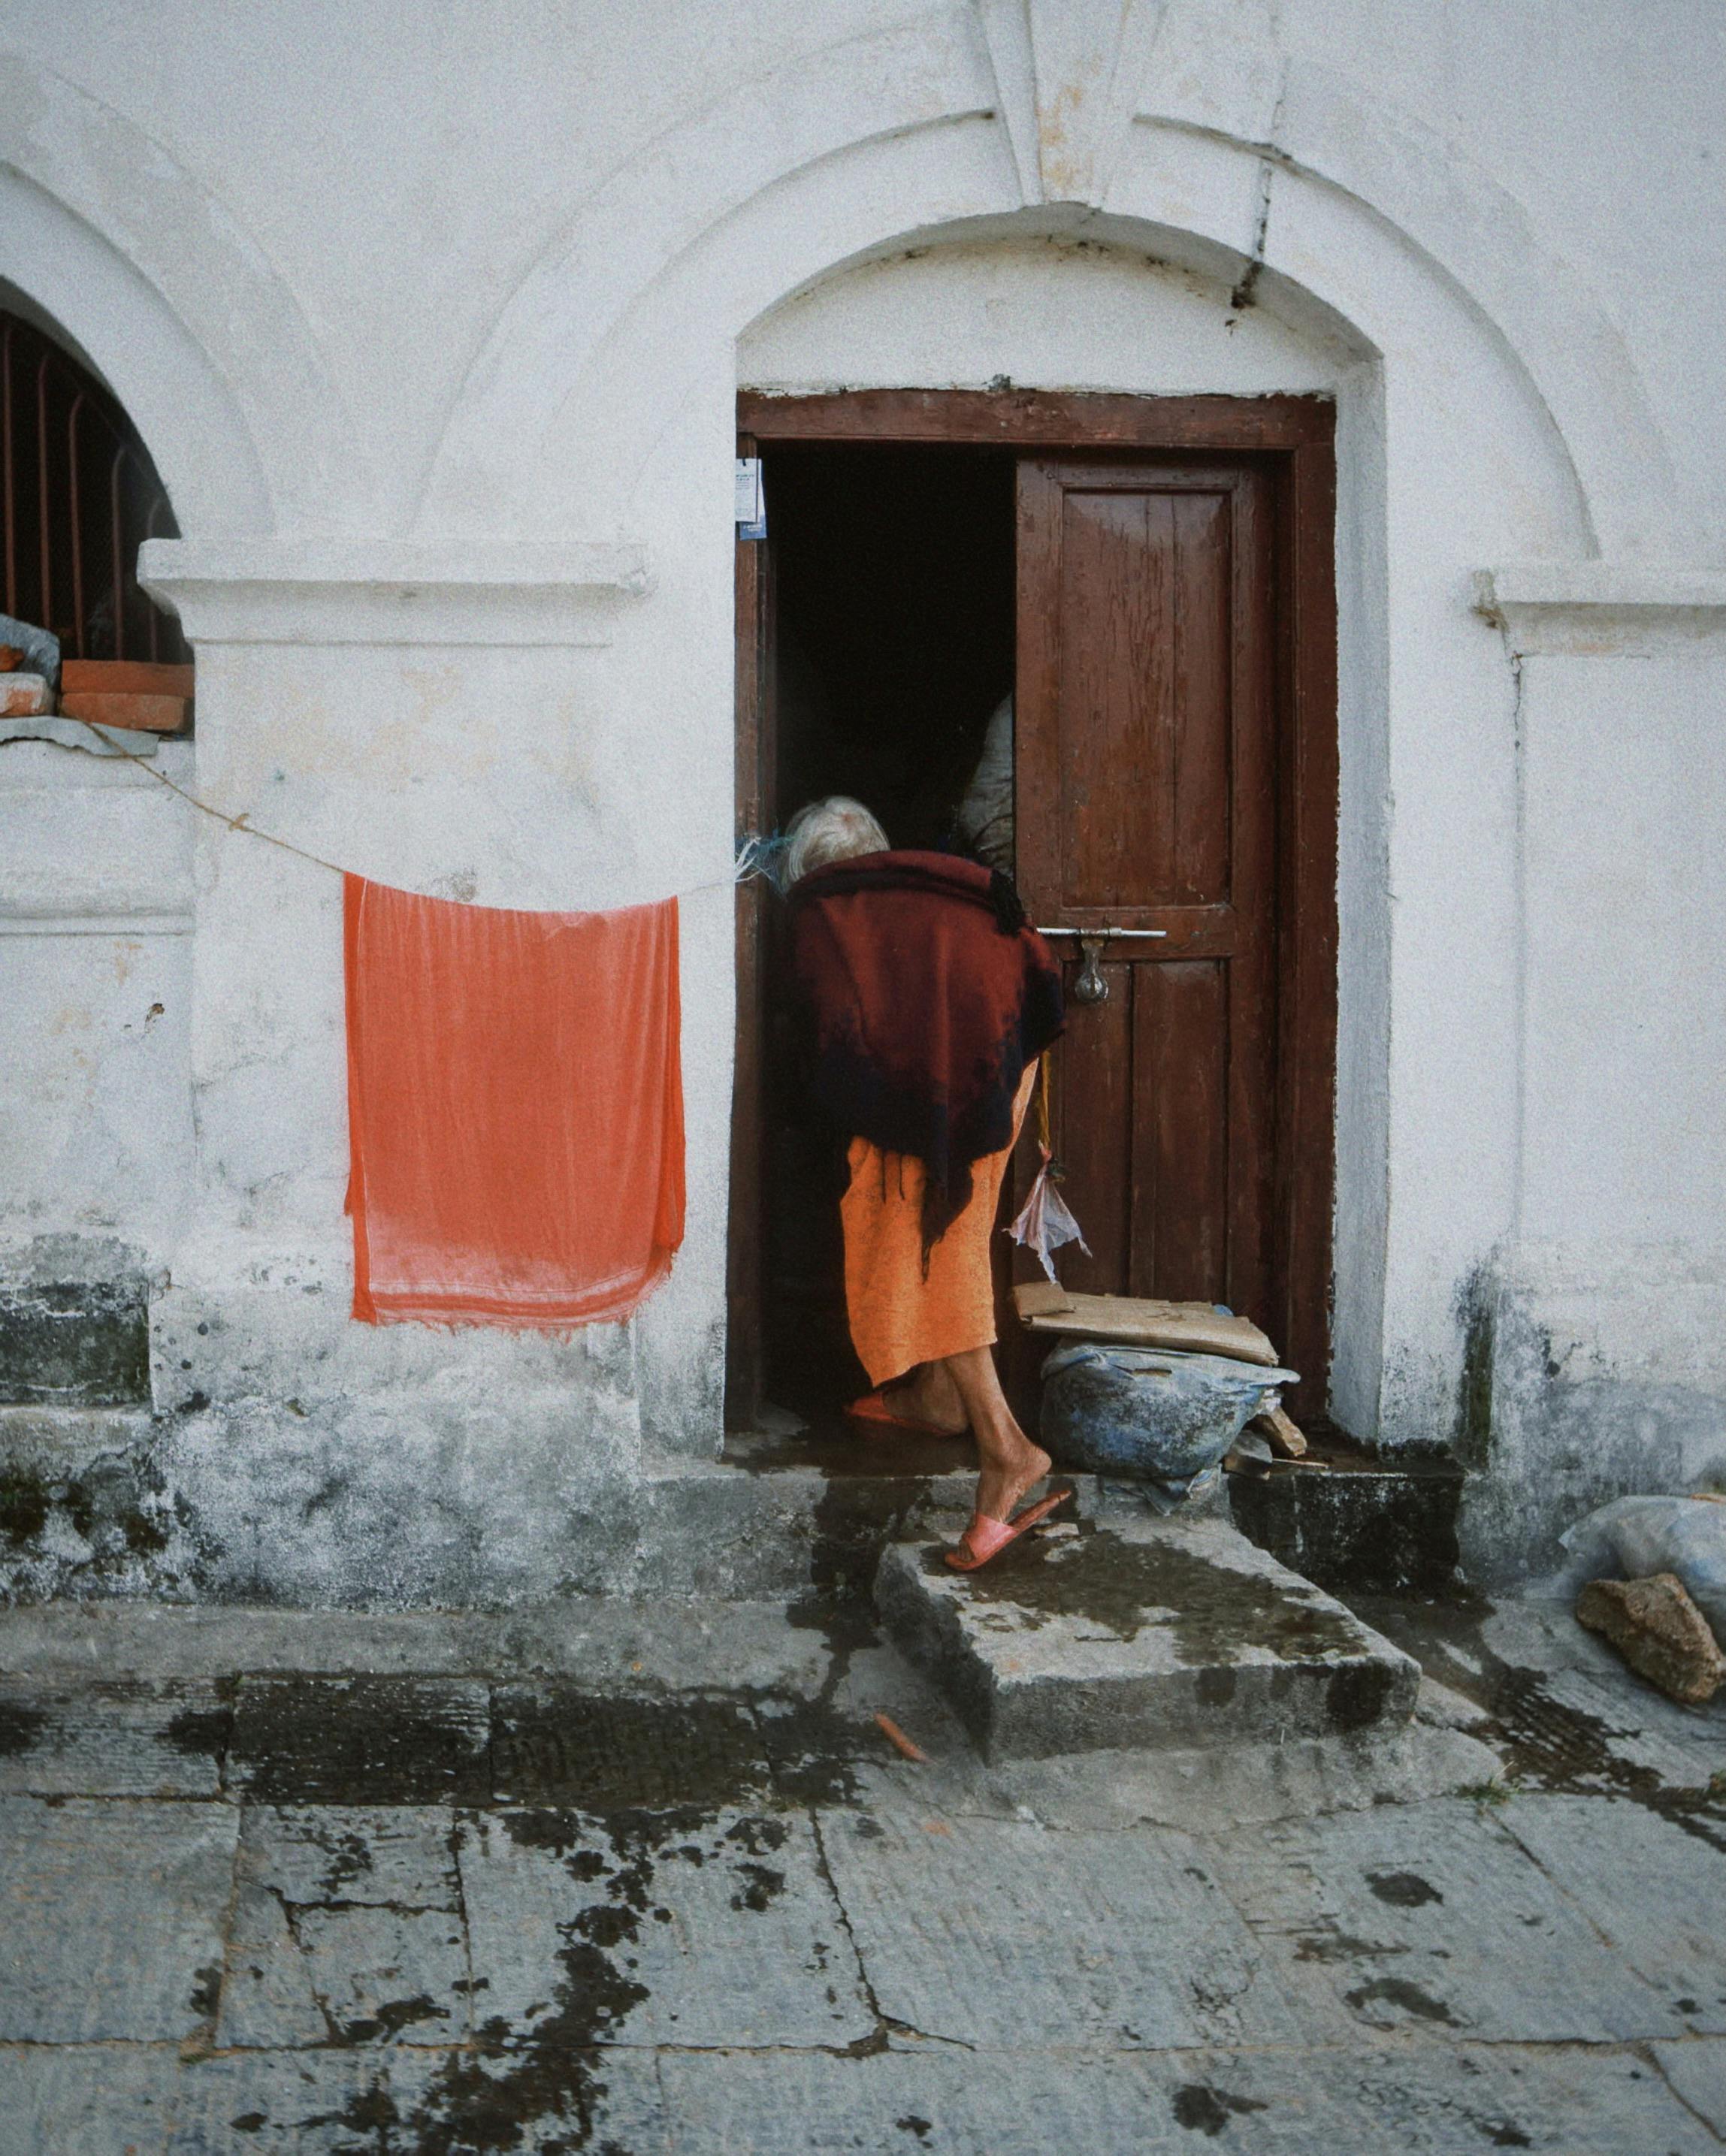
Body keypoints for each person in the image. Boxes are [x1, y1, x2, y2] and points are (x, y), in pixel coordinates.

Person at [783, 796, 1069, 1570]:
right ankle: (936, 1400)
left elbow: (838, 1046)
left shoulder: (827, 908)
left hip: (960, 1060)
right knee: (945, 1227)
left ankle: (1007, 1450)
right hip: (997, 1047)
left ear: (804, 870)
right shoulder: (909, 886)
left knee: (932, 1232)